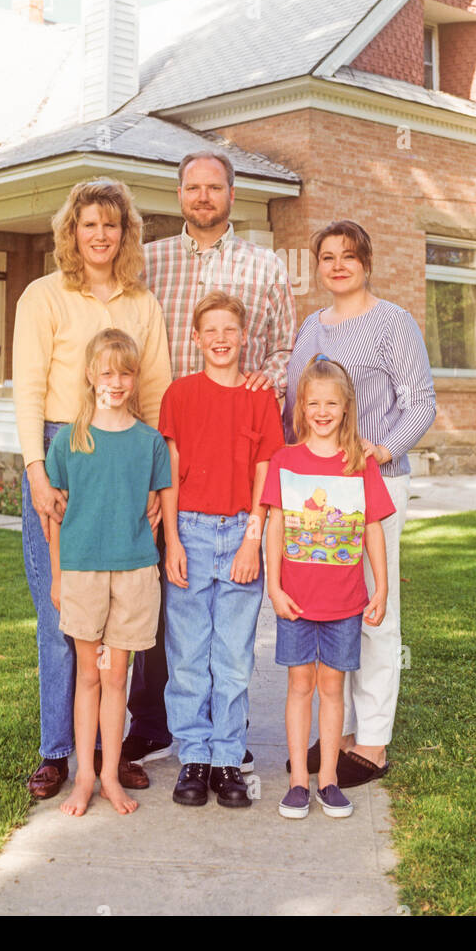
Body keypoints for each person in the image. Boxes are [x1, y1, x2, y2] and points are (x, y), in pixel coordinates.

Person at [126, 149, 296, 766]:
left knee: (224, 623)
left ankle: (224, 739)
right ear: (179, 195)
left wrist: (259, 385)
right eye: (192, 188)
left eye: (214, 187)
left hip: (236, 442)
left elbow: (284, 348)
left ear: (232, 193)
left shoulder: (265, 265)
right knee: (162, 580)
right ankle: (155, 720)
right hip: (163, 435)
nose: (203, 197)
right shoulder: (149, 261)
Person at [12, 178, 172, 802]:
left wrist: (155, 479)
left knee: (123, 611)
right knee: (63, 605)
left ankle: (110, 750)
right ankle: (59, 751)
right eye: (89, 224)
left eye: (112, 224)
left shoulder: (141, 302)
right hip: (61, 446)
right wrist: (36, 470)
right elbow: (27, 388)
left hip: (129, 451)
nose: (100, 235)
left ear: (125, 233)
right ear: (71, 233)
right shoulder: (42, 297)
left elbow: (154, 393)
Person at [282, 221, 436, 788]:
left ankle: (371, 741)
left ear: (367, 263)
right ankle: (337, 731)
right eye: (327, 256)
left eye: (349, 256)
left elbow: (420, 404)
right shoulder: (309, 328)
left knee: (372, 611)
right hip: (316, 496)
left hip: (373, 486)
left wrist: (381, 449)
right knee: (330, 608)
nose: (338, 265)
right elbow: (295, 406)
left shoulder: (393, 322)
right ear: (319, 266)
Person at [159, 291, 285, 809]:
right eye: (210, 330)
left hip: (240, 532)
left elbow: (265, 472)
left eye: (230, 330)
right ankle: (194, 755)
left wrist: (254, 537)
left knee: (233, 655)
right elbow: (168, 469)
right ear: (195, 338)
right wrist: (170, 540)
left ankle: (229, 757)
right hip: (188, 528)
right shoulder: (180, 395)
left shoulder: (260, 398)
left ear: (244, 337)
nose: (220, 340)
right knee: (188, 655)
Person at [45, 329, 172, 816]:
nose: (115, 381)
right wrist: (57, 575)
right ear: (90, 375)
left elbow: (157, 511)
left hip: (134, 572)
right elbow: (54, 515)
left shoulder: (149, 441)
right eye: (106, 371)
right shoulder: (70, 441)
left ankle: (110, 776)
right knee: (89, 677)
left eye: (125, 372)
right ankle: (82, 778)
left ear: (135, 379)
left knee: (116, 677)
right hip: (81, 572)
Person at [262, 357, 392, 819]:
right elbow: (275, 527)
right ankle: (299, 780)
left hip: (344, 602)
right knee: (300, 685)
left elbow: (373, 528)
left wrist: (382, 588)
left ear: (345, 407)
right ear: (301, 407)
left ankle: (329, 779)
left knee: (332, 689)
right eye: (313, 403)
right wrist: (274, 587)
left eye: (331, 403)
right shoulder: (285, 460)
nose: (321, 411)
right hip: (296, 600)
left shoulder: (359, 462)